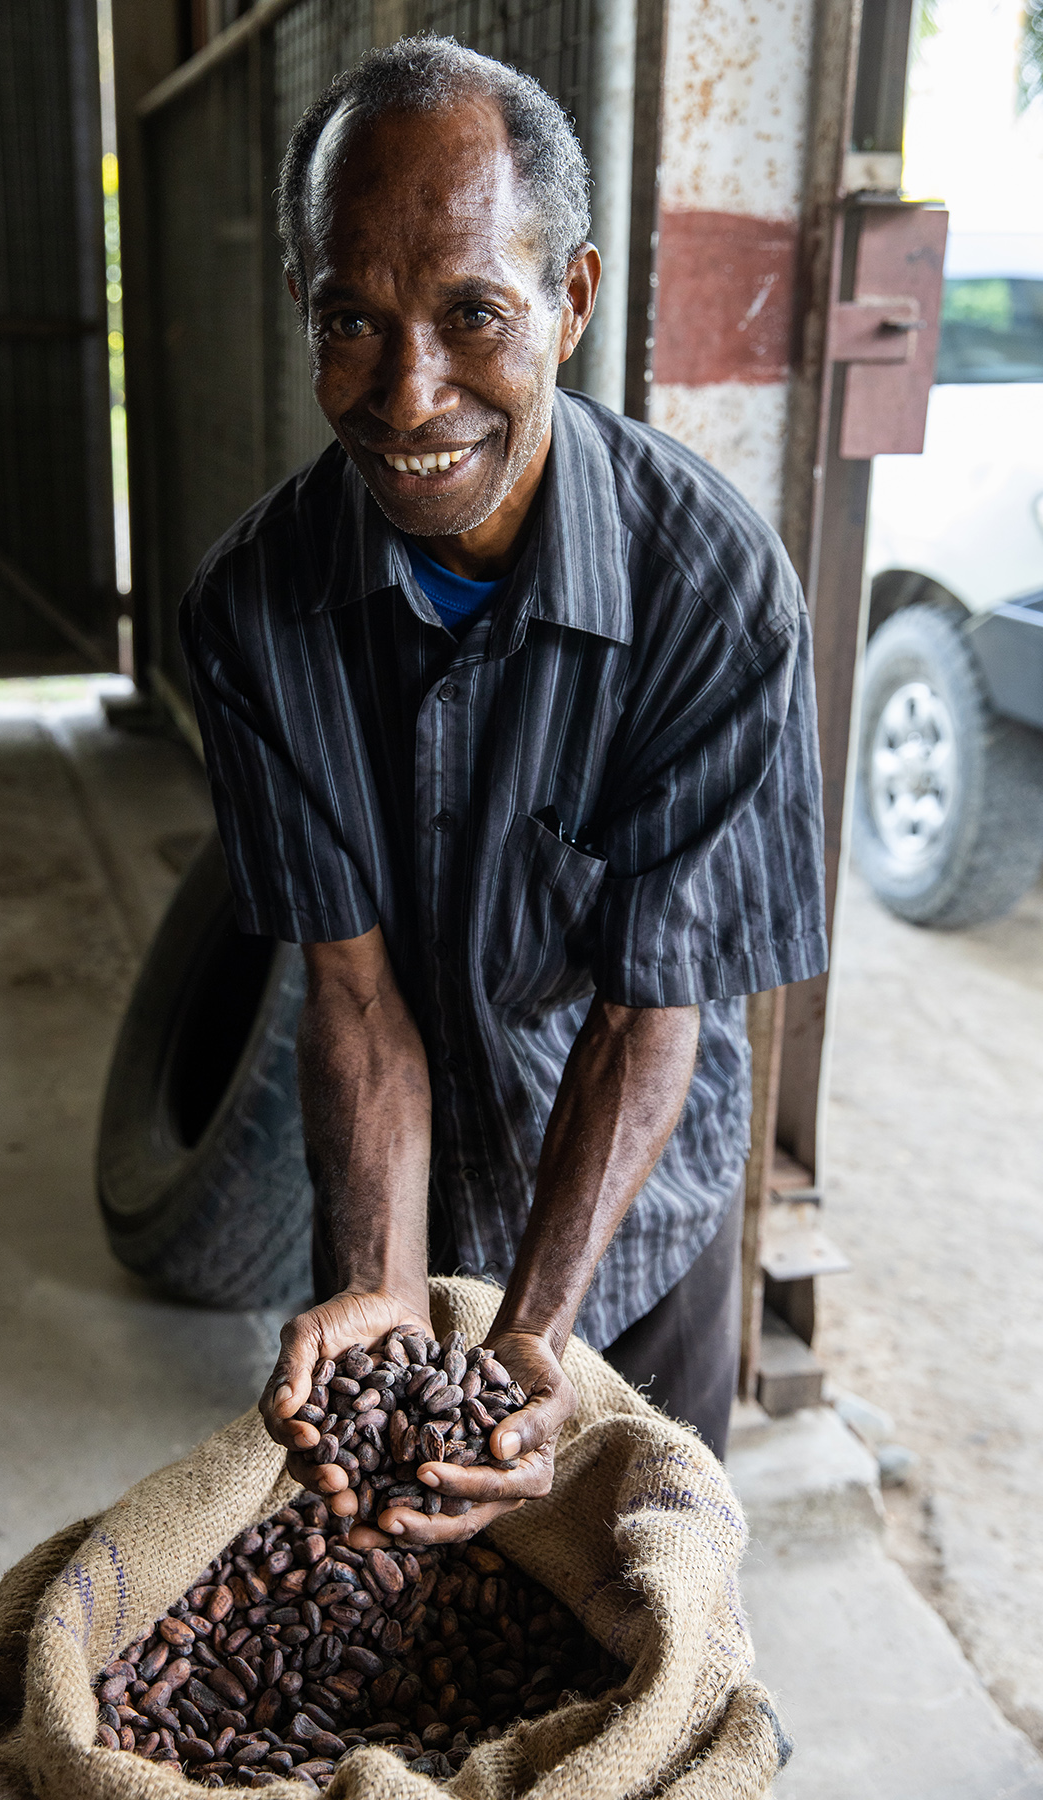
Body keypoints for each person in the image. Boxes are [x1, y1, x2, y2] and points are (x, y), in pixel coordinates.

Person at [181, 36, 827, 1548]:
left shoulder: (715, 595)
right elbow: (353, 997)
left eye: (473, 312)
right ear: (307, 310)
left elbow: (645, 1014)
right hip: (398, 1189)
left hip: (628, 1230)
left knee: (629, 1622)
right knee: (397, 1629)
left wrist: (538, 1330)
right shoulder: (250, 614)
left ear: (572, 301)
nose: (408, 397)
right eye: (354, 319)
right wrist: (390, 1285)